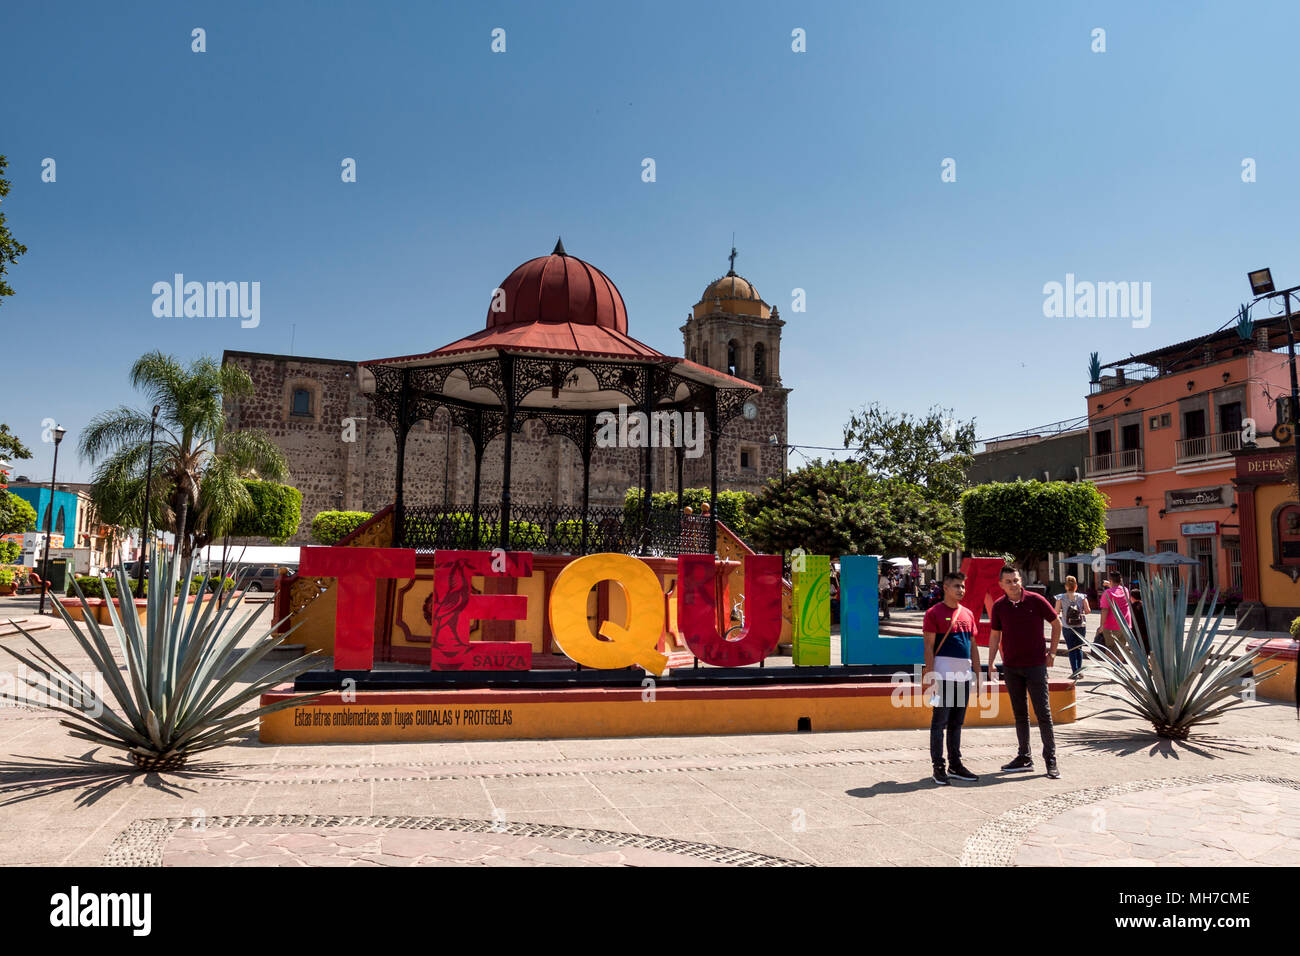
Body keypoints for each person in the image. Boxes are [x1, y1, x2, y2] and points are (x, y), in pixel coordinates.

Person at [988, 566, 1062, 779]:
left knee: (1043, 713)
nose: (1013, 585)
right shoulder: (999, 606)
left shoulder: (1036, 600)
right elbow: (995, 635)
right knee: (1020, 714)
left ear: (1021, 580)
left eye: (1016, 580)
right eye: (1008, 581)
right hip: (1011, 666)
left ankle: (1050, 759)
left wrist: (1053, 653)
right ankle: (1024, 756)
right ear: (1001, 584)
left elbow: (1056, 624)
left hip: (1036, 666)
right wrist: (992, 662)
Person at [922, 571, 982, 785]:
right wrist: (930, 675)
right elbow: (928, 646)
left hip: (963, 676)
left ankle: (955, 764)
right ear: (945, 588)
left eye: (963, 587)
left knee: (957, 722)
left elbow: (973, 646)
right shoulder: (933, 613)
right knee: (939, 722)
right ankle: (938, 767)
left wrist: (978, 672)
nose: (961, 590)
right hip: (943, 676)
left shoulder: (968, 614)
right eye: (957, 586)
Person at [1054, 575, 1091, 679]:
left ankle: (1074, 671)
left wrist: (1063, 611)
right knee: (1079, 648)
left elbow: (1056, 612)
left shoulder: (1060, 597)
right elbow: (1088, 611)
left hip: (1067, 626)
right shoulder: (1082, 597)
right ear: (1076, 586)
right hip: (1081, 625)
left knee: (1071, 649)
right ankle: (1079, 671)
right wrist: (1080, 612)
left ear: (1066, 586)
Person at [1097, 571, 1132, 651]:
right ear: (1121, 580)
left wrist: (1102, 625)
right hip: (1125, 625)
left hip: (1111, 626)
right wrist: (1110, 583)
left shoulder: (1107, 593)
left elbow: (1104, 610)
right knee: (1121, 649)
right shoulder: (1125, 590)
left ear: (1111, 581)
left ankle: (1113, 664)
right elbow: (1117, 587)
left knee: (1110, 649)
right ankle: (1118, 664)